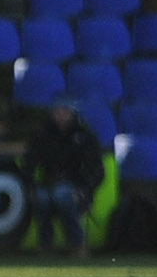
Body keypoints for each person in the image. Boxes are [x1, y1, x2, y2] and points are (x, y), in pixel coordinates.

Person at [23, 95, 106, 255]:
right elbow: (30, 163)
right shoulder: (42, 135)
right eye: (58, 112)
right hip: (48, 183)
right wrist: (30, 187)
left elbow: (96, 169)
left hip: (76, 185)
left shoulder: (85, 136)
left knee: (62, 195)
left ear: (73, 114)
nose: (61, 116)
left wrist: (84, 189)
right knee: (42, 197)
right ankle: (45, 245)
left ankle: (77, 243)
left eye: (65, 112)